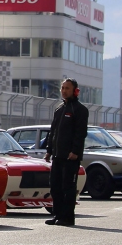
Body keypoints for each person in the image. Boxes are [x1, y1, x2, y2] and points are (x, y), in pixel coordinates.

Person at [44, 78, 88, 226]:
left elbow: (80, 133)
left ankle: (68, 217)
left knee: (68, 187)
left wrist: (75, 151)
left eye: (67, 88)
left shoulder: (80, 110)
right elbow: (53, 132)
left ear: (75, 91)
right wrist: (49, 150)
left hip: (70, 157)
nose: (64, 91)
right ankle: (58, 215)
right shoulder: (59, 109)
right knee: (55, 187)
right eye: (62, 88)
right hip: (57, 156)